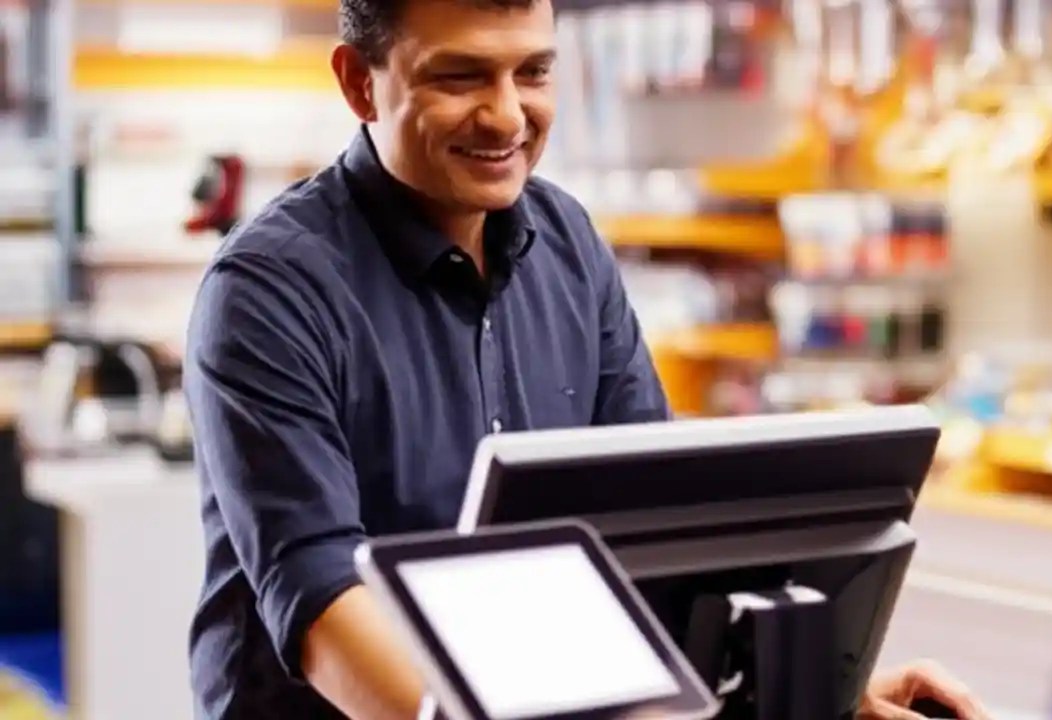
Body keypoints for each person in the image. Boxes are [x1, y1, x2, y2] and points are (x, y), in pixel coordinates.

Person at [182, 0, 991, 717]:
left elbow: (661, 535)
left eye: (533, 72)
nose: (506, 116)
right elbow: (324, 601)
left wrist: (819, 689)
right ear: (361, 83)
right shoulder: (268, 291)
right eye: (461, 77)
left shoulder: (567, 246)